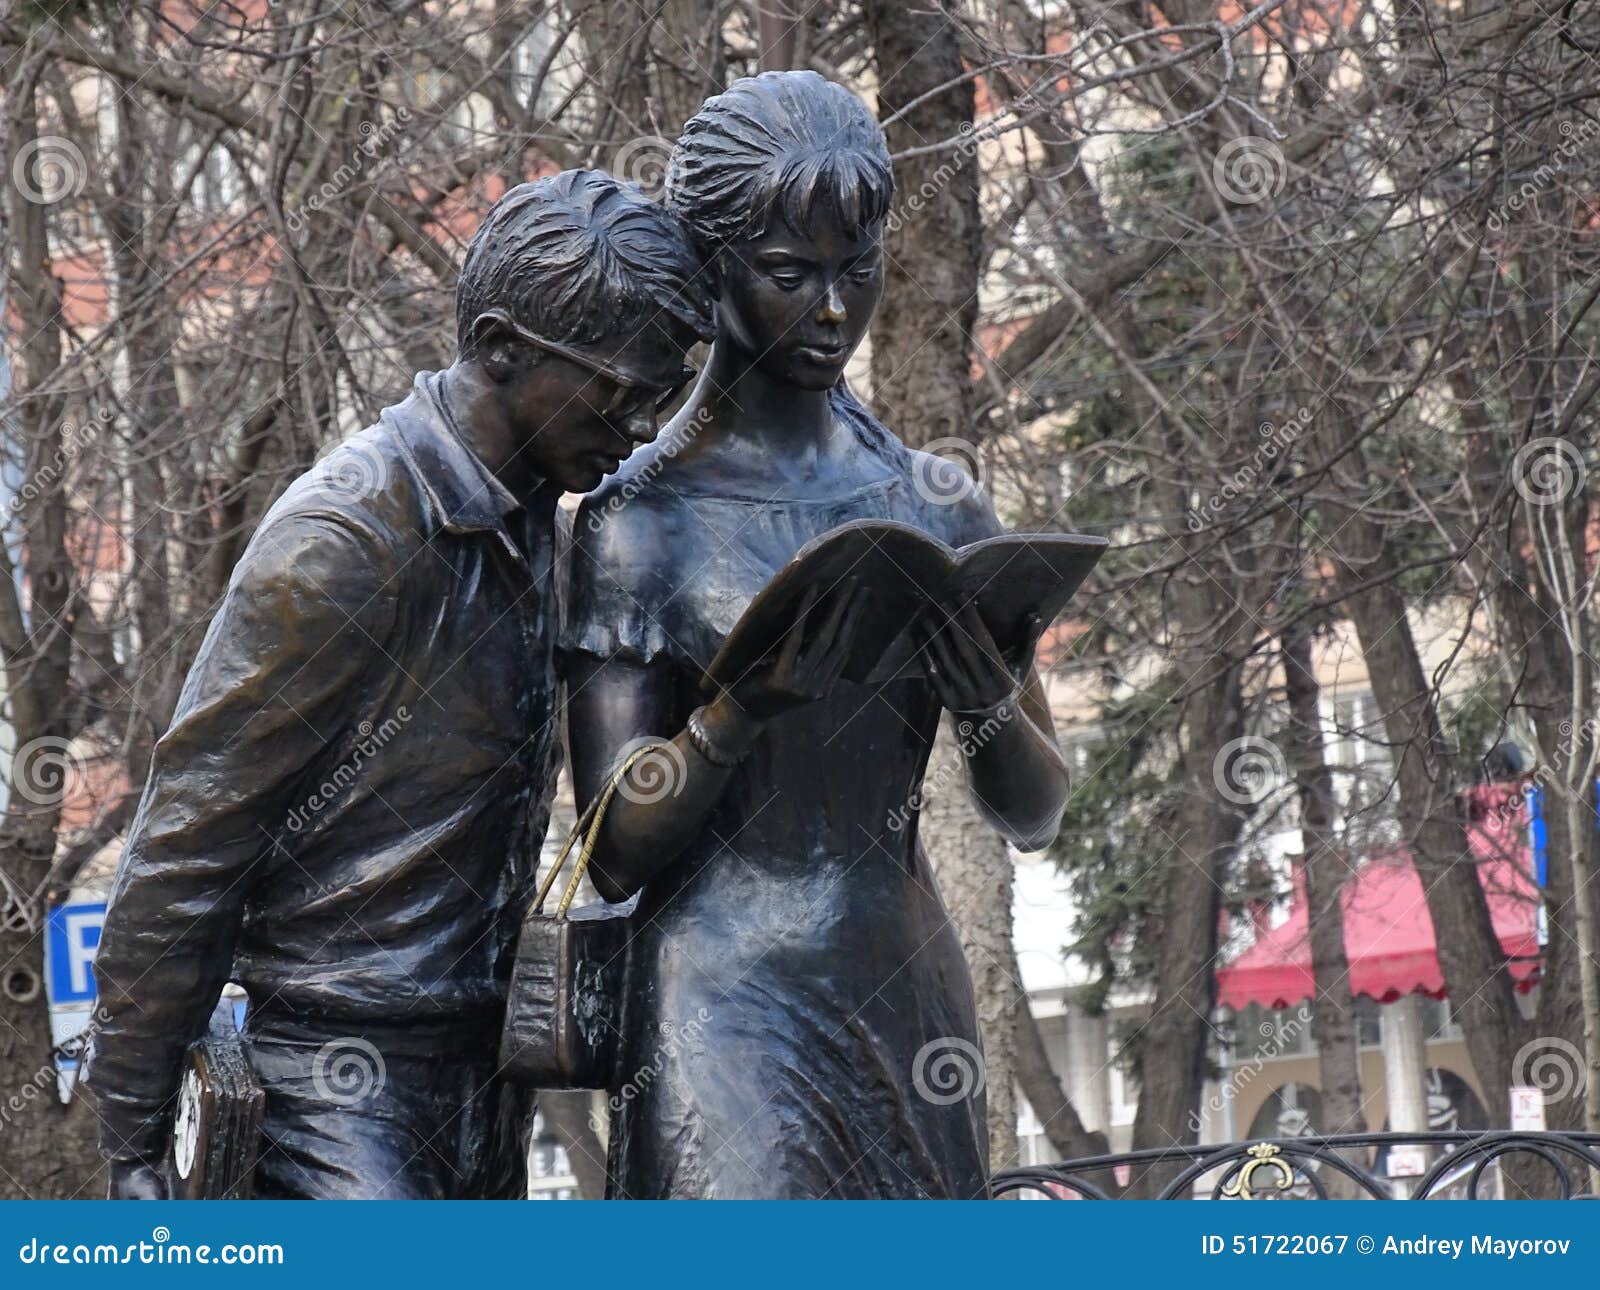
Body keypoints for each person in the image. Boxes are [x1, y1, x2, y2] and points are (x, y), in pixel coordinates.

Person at [83, 170, 715, 1199]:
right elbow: (186, 845)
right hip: (334, 1097)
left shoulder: (535, 522)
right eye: (619, 388)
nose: (642, 426)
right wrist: (132, 1142)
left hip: (481, 1081)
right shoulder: (346, 538)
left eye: (660, 394)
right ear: (505, 347)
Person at [564, 72, 1072, 1199]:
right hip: (716, 1004)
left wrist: (985, 695)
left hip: (904, 984)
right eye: (792, 275)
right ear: (711, 265)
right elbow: (614, 846)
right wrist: (736, 714)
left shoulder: (931, 502)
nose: (834, 310)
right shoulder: (637, 522)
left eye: (858, 269)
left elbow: (1034, 812)